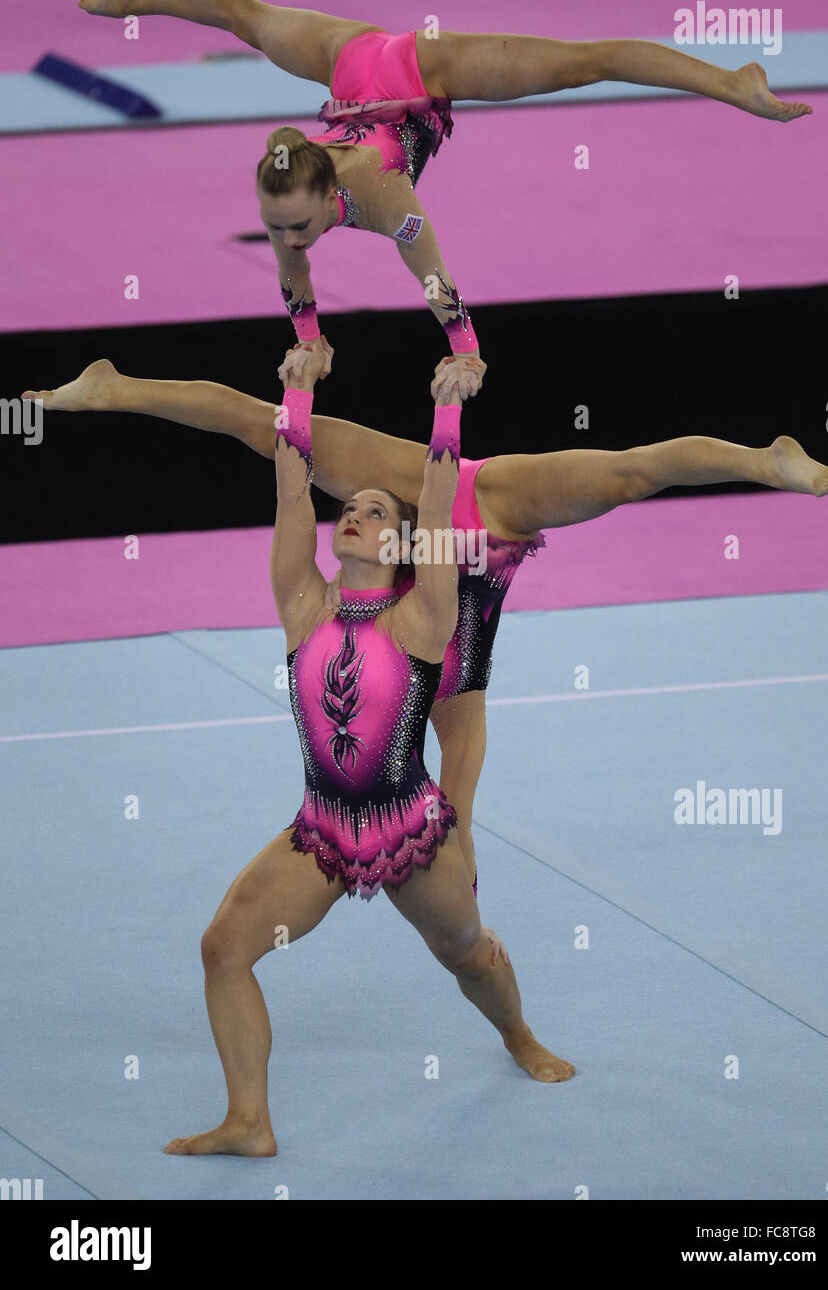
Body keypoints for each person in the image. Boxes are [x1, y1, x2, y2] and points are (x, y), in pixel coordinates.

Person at [23, 357, 828, 918]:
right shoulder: (447, 687)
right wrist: (463, 828)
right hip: (466, 511)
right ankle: (114, 386)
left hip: (443, 500)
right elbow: (459, 765)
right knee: (269, 428)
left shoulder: (427, 676)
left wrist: (464, 829)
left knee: (629, 472)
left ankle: (764, 459)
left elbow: (454, 796)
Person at [163, 341, 574, 1157]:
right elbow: (290, 485)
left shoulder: (419, 620)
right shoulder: (303, 606)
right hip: (320, 827)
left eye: (379, 513)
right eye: (352, 508)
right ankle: (249, 1121)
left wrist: (449, 407)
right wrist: (299, 397)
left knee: (465, 951)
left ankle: (519, 1036)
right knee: (222, 949)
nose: (355, 513)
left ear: (405, 548)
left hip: (409, 829)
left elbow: (443, 496)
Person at [78, 0, 813, 371]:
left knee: (581, 64)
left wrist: (466, 350)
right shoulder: (285, 194)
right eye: (277, 227)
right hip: (348, 60)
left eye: (294, 227)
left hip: (416, 70)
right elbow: (293, 281)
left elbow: (430, 271)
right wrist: (309, 340)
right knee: (241, 14)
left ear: (331, 192)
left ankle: (731, 81)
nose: (287, 238)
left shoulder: (371, 187)